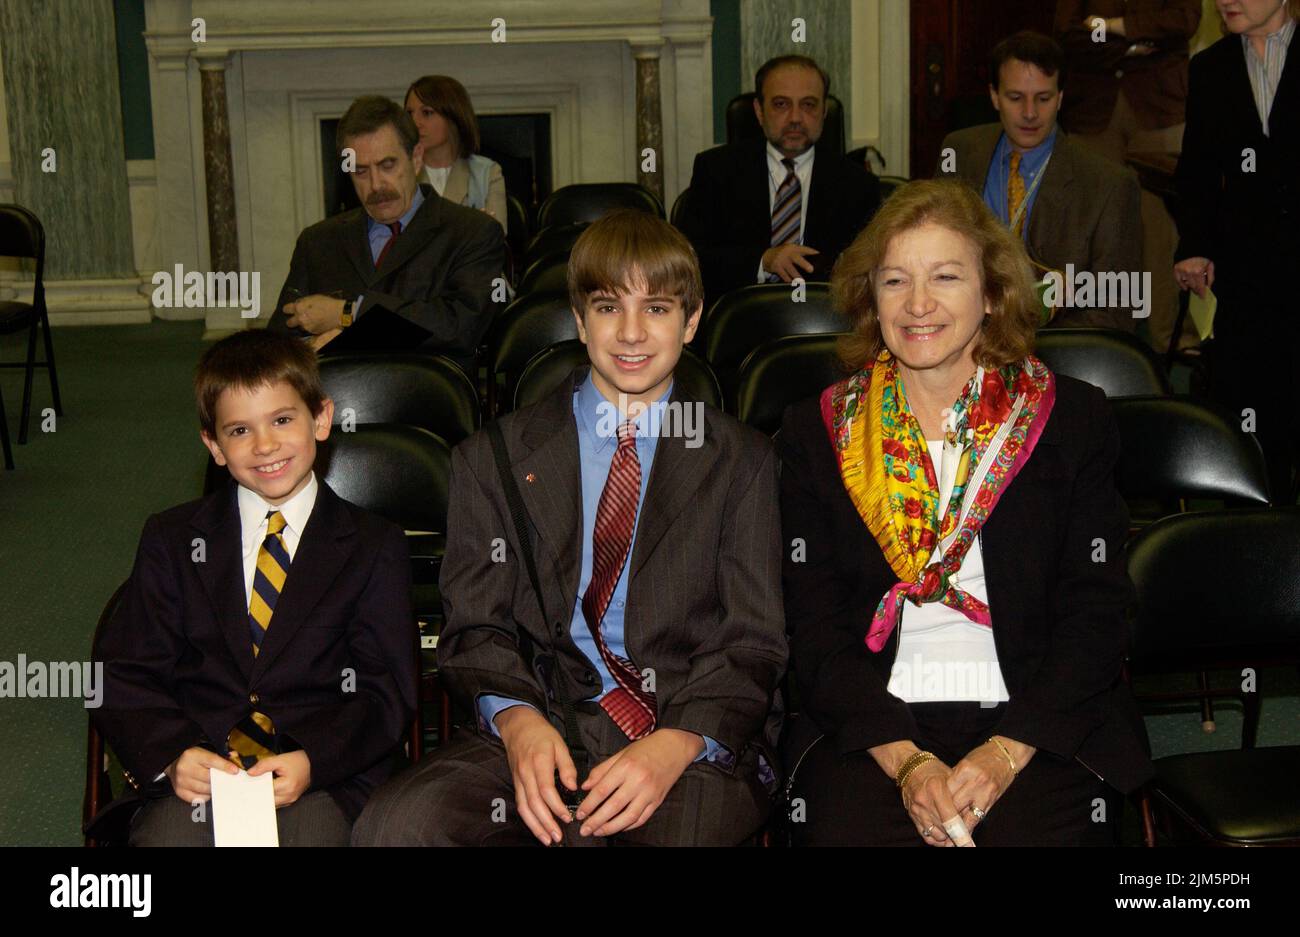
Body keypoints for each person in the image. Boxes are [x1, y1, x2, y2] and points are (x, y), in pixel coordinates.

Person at [353, 211, 787, 846]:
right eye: (609, 308)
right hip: (544, 715)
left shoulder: (743, 462)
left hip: (684, 731)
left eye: (658, 309)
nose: (632, 332)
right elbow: (476, 626)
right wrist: (517, 720)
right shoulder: (492, 457)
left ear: (692, 323)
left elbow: (753, 643)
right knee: (394, 829)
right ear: (580, 321)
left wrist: (675, 743)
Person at [778, 180, 1153, 846]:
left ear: (990, 293)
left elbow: (1096, 613)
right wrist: (911, 764)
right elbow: (816, 629)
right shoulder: (822, 430)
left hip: (1033, 717)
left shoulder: (1067, 419)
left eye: (945, 276)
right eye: (895, 281)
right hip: (875, 725)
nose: (918, 303)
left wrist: (1004, 754)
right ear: (872, 298)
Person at [91, 330, 417, 846]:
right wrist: (174, 755)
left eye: (282, 420)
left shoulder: (374, 546)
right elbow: (123, 673)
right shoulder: (173, 538)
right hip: (201, 778)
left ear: (322, 418)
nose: (265, 445)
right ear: (213, 446)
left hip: (321, 780)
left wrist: (314, 760)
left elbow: (385, 691)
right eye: (239, 430)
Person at [268, 95, 505, 373]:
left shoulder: (472, 232)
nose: (376, 185)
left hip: (430, 402)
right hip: (333, 401)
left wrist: (348, 315)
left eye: (388, 165)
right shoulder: (318, 241)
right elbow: (278, 343)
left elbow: (460, 328)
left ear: (416, 158)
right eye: (361, 171)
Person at [1174, 0, 1299, 505]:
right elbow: (1197, 169)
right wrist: (1195, 246)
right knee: (1249, 410)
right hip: (1247, 274)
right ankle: (1250, 537)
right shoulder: (1211, 67)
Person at [935, 31, 1144, 330]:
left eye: (1043, 98)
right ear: (994, 96)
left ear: (1060, 98)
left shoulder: (1109, 185)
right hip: (961, 336)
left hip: (1055, 350)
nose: (1030, 113)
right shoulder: (958, 150)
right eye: (1015, 98)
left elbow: (1118, 310)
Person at [1055, 0, 1203, 353]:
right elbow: (1069, 36)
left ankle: (1176, 344)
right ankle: (1097, 337)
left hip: (1159, 110)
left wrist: (1113, 26)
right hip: (1091, 112)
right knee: (1093, 230)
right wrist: (1136, 45)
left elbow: (1183, 20)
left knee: (1161, 230)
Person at [676, 54, 880, 309]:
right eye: (781, 105)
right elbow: (687, 259)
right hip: (739, 317)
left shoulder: (859, 184)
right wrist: (764, 261)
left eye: (808, 105)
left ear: (824, 112)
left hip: (826, 320)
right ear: (759, 111)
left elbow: (872, 268)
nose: (795, 118)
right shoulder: (716, 170)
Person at [404, 75, 508, 234]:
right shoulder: (400, 171)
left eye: (426, 113)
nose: (415, 122)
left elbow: (496, 239)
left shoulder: (487, 172)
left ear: (453, 116)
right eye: (409, 113)